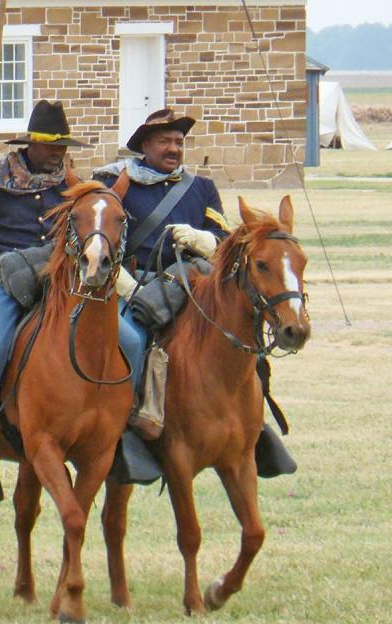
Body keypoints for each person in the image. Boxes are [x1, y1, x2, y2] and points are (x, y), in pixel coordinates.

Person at [94, 108, 294, 477]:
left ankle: (254, 425)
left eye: (178, 141)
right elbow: (101, 238)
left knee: (244, 342)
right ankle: (129, 425)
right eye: (165, 141)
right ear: (145, 146)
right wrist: (121, 281)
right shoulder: (114, 182)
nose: (174, 148)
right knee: (132, 342)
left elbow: (223, 241)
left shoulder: (200, 187)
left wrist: (202, 239)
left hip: (195, 285)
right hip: (136, 287)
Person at [0, 100, 89, 497]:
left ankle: (118, 431)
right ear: (30, 144)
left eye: (62, 145)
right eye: (50, 145)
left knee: (117, 337)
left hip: (58, 285)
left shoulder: (73, 186)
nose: (57, 153)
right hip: (0, 281)